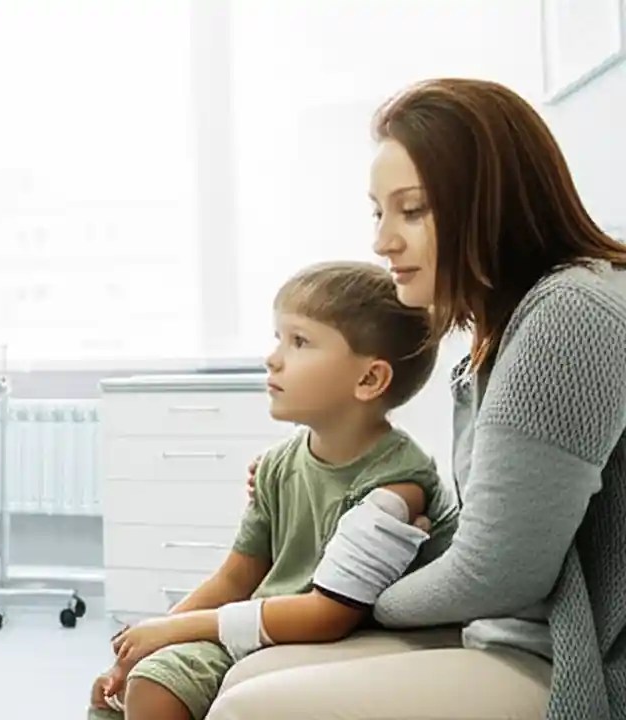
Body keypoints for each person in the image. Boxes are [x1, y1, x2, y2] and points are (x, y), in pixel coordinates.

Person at [212, 78, 626, 720]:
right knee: (245, 676)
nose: (382, 242)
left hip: (574, 660)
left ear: (493, 203)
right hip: (521, 632)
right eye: (378, 212)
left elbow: (500, 575)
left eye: (414, 210)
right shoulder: (510, 329)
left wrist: (356, 598)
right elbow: (501, 535)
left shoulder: (569, 315)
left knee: (247, 709)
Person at [87, 261, 459, 719]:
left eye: (299, 341)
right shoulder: (278, 465)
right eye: (278, 337)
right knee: (132, 683)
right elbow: (234, 579)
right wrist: (149, 636)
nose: (273, 357)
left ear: (369, 380)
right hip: (254, 625)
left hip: (320, 637)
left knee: (154, 684)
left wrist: (176, 630)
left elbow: (329, 613)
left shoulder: (397, 486)